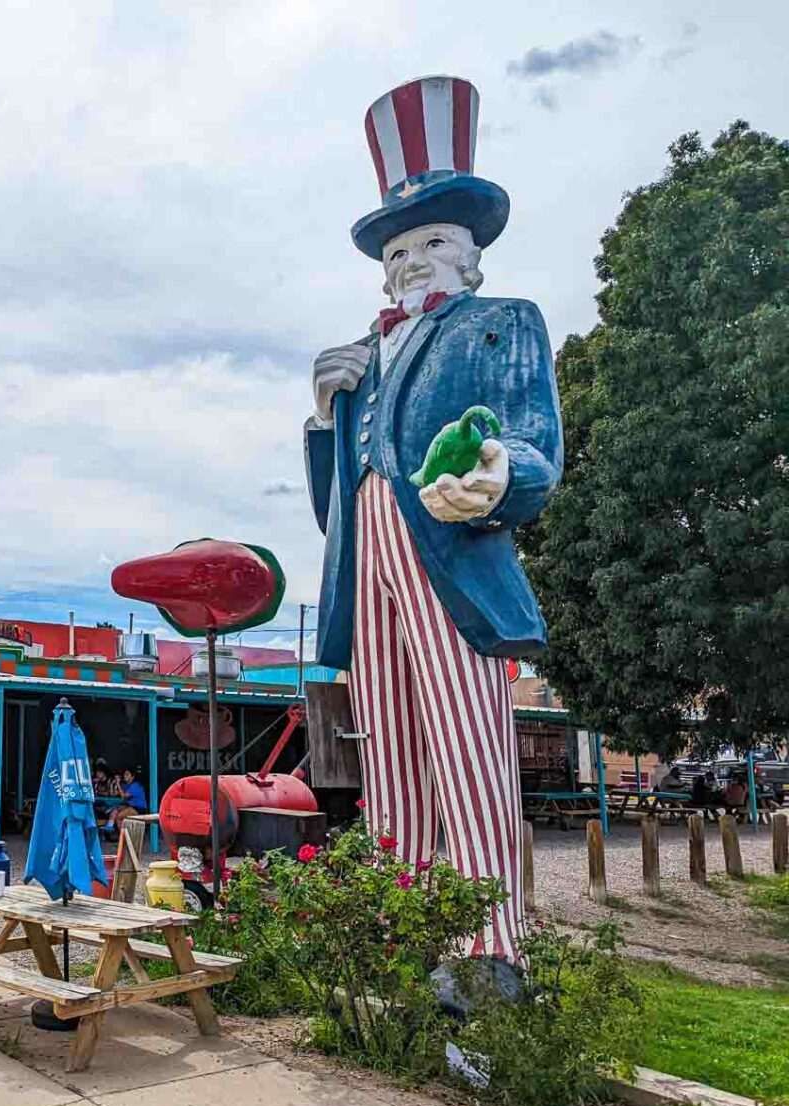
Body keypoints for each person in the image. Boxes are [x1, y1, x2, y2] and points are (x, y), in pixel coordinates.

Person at [303, 77, 562, 965]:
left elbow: (537, 446)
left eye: (435, 240)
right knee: (391, 752)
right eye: (401, 246)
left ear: (471, 253)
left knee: (469, 749)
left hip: (451, 554)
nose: (414, 259)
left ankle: (497, 948)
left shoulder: (503, 324)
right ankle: (397, 924)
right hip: (367, 560)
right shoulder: (361, 359)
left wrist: (501, 475)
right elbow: (330, 502)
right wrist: (319, 416)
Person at [106, 767, 147, 831]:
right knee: (115, 810)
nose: (125, 776)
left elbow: (123, 796)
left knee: (119, 817)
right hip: (130, 807)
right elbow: (113, 794)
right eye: (124, 774)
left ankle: (123, 837)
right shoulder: (126, 785)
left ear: (132, 776)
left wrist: (118, 784)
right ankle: (109, 827)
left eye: (127, 774)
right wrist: (112, 783)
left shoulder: (136, 785)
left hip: (139, 809)